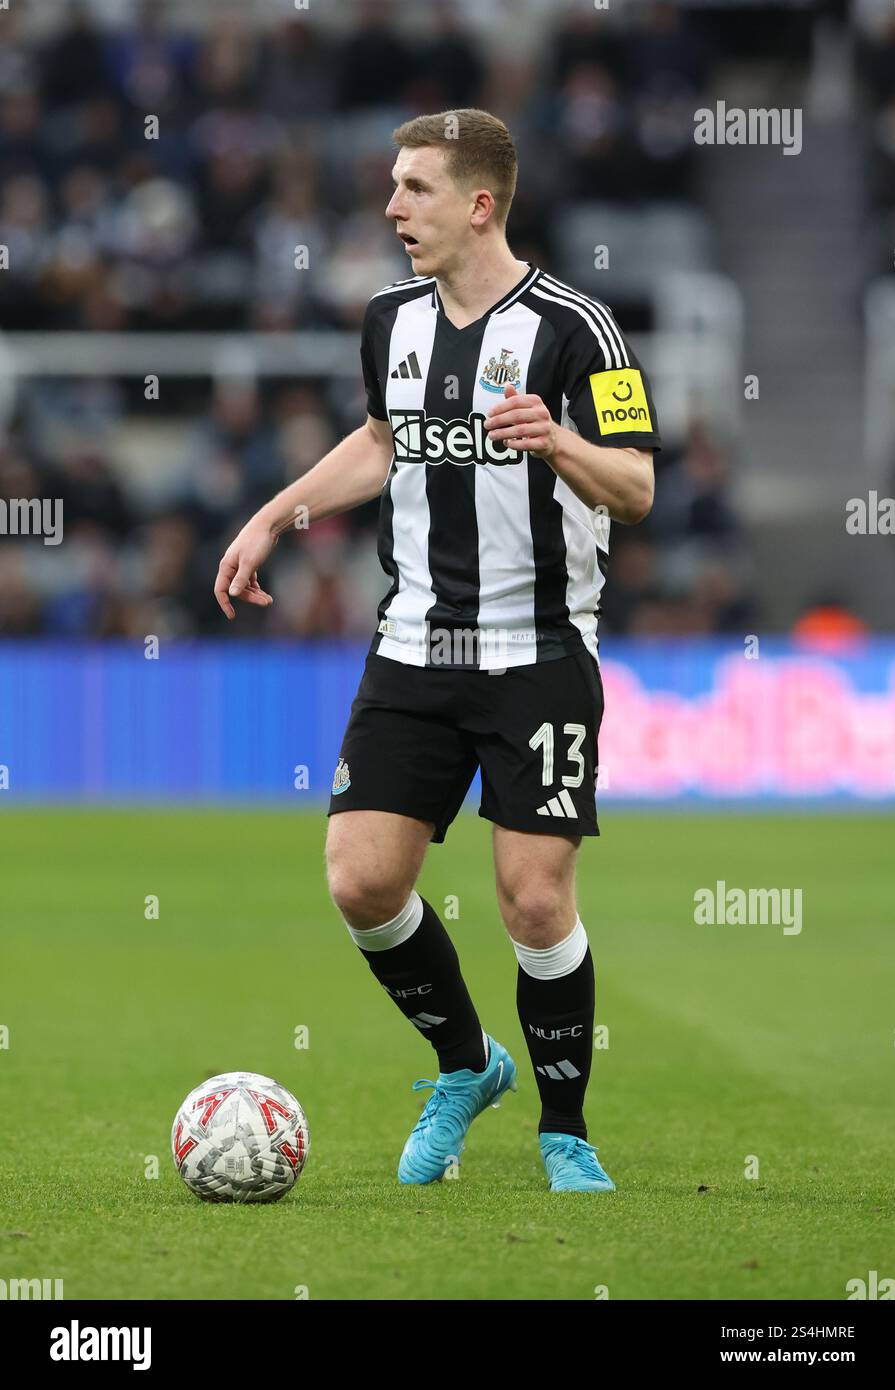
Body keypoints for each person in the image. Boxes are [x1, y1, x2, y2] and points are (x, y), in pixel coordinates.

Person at [214, 108, 660, 1191]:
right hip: (413, 648)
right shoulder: (387, 321)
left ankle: (564, 1131)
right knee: (361, 882)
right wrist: (277, 513)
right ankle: (466, 1065)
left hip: (539, 650)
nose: (389, 207)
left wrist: (556, 441)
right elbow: (381, 440)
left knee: (534, 902)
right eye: (391, 185)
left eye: (412, 188)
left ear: (478, 203)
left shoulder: (579, 329)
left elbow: (637, 487)